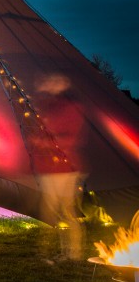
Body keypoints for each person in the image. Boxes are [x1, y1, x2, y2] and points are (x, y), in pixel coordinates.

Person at [33, 72, 86, 260]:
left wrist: (45, 144)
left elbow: (66, 138)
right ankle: (66, 252)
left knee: (64, 212)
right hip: (51, 169)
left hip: (64, 170)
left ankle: (73, 253)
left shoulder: (69, 109)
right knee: (58, 212)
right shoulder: (48, 110)